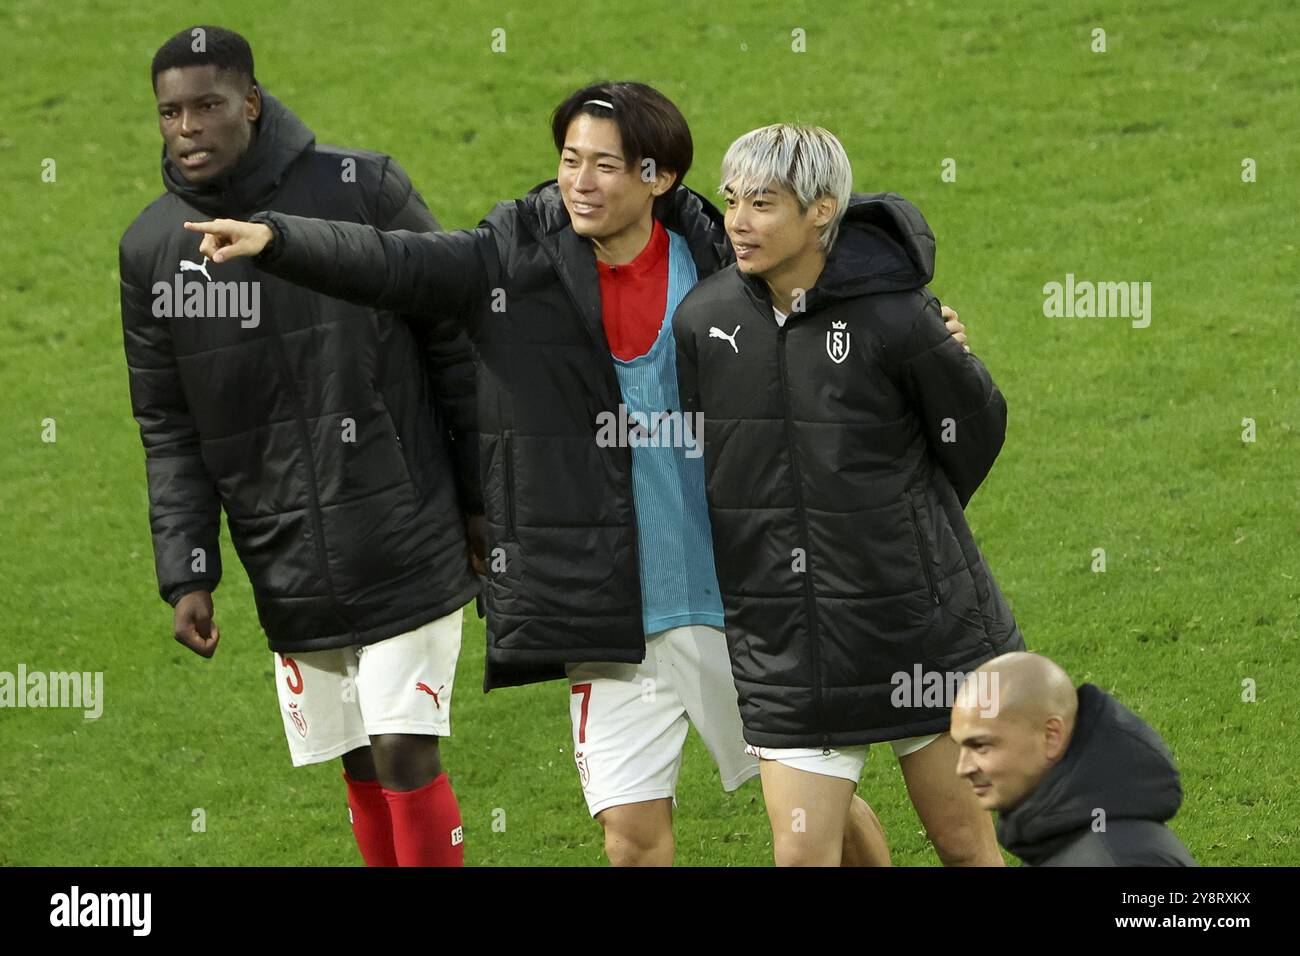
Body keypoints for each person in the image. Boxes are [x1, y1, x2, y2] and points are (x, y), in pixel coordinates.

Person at [181, 83, 968, 865]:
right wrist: (277, 241)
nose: (580, 183)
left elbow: (833, 273)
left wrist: (926, 321)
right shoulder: (513, 257)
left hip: (744, 599)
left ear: (657, 178)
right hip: (607, 609)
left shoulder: (722, 252)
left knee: (810, 810)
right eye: (569, 160)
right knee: (629, 839)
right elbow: (398, 264)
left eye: (605, 166)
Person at [120, 26, 481, 866]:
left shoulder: (362, 188)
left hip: (404, 522)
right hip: (281, 548)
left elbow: (453, 342)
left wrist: (480, 498)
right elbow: (166, 424)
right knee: (356, 760)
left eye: (206, 105)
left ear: (249, 102)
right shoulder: (149, 251)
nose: (187, 128)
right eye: (169, 112)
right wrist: (187, 569)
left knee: (403, 749)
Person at [673, 124, 1022, 866]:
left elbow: (974, 432)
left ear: (823, 209)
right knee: (802, 856)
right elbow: (705, 448)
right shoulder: (704, 320)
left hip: (916, 626)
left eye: (763, 203)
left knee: (964, 844)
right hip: (789, 643)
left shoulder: (898, 317)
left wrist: (902, 517)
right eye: (733, 200)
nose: (738, 220)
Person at [950, 652, 1197, 866]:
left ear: (1051, 736)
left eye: (980, 746)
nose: (963, 768)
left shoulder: (1118, 860)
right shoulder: (1058, 837)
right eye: (960, 746)